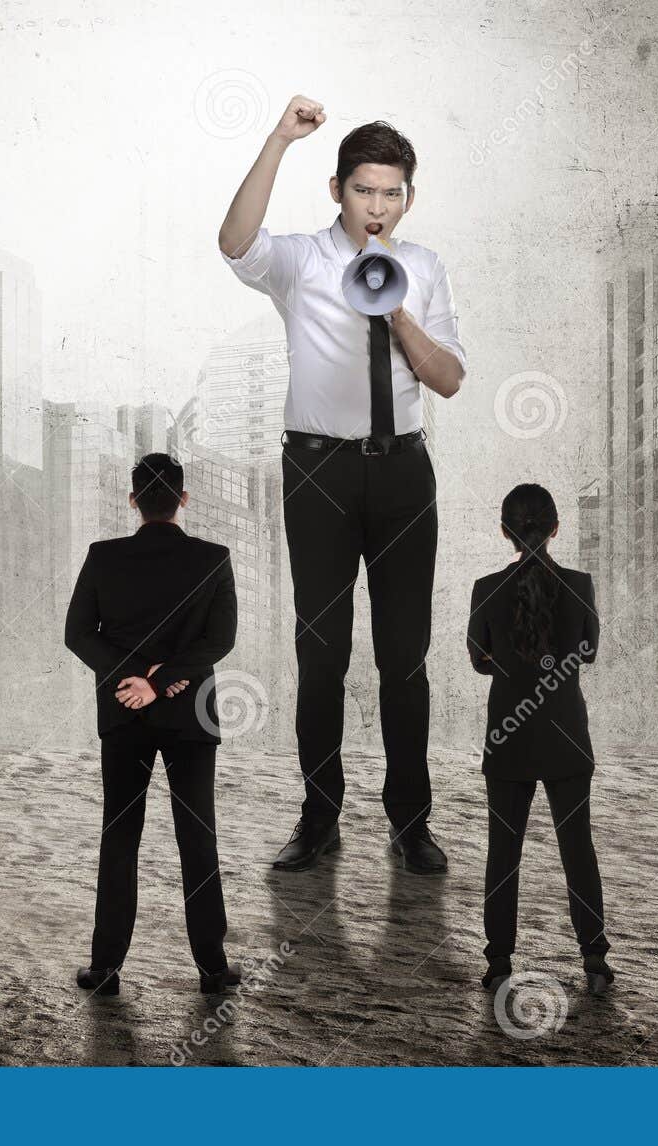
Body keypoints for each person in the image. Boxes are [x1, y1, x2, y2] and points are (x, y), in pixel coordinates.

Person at [218, 95, 467, 875]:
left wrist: (396, 314)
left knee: (405, 656)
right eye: (364, 190)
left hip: (403, 471)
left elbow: (449, 378)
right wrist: (277, 139)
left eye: (391, 193)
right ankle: (319, 814)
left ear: (408, 198)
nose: (377, 206)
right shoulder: (302, 262)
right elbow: (234, 242)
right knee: (321, 650)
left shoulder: (425, 268)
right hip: (318, 468)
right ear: (338, 190)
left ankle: (411, 821)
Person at [63, 453, 240, 996]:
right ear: (183, 499)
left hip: (124, 710)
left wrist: (136, 679)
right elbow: (220, 640)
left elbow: (78, 634)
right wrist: (164, 680)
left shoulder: (103, 557)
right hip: (190, 715)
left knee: (120, 836)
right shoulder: (213, 558)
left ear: (133, 500)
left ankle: (105, 970)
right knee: (197, 835)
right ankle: (213, 969)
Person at [467, 485, 613, 994]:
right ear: (556, 528)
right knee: (578, 850)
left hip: (508, 738)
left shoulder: (486, 589)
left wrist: (511, 664)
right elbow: (589, 651)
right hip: (567, 737)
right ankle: (594, 959)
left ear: (504, 531)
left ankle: (498, 962)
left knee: (502, 854)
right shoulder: (580, 585)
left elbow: (479, 659)